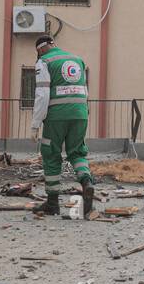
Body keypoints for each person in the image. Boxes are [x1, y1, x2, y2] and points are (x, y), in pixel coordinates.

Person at [29, 35, 95, 216]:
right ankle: (87, 182)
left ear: (40, 49)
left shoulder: (44, 61)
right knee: (77, 152)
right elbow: (85, 91)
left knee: (51, 154)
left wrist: (35, 124)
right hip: (80, 114)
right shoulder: (77, 60)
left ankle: (52, 203)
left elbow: (42, 95)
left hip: (57, 116)